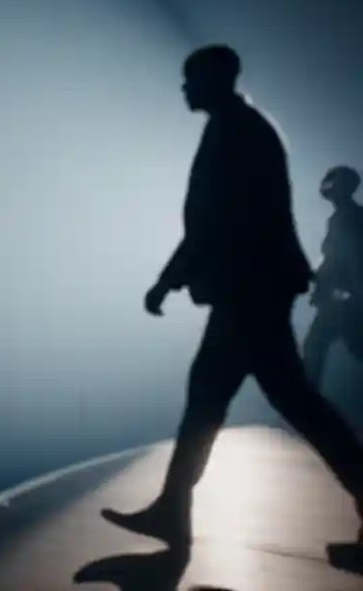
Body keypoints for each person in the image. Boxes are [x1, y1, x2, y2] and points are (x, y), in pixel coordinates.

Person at [102, 45, 363, 544]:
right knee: (279, 400)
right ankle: (172, 509)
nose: (184, 88)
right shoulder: (240, 129)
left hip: (248, 292)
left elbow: (216, 222)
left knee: (226, 398)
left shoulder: (236, 134)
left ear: (212, 79)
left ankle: (172, 511)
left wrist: (168, 278)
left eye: (189, 79)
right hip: (253, 289)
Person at [305, 165, 363, 389]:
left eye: (332, 183)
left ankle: (307, 408)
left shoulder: (349, 218)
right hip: (344, 298)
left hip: (345, 299)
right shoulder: (343, 217)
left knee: (315, 346)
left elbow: (344, 259)